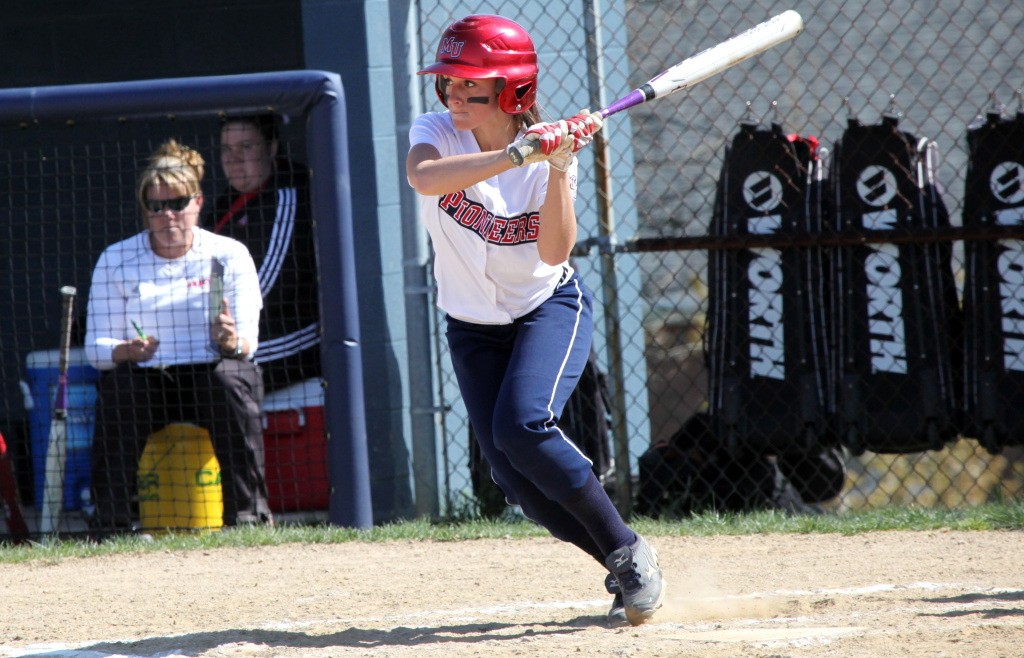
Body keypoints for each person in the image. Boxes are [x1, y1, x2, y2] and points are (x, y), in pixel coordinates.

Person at [406, 14, 665, 627]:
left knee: (523, 426)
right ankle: (621, 555)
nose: (456, 96)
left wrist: (554, 167)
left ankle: (627, 552)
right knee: (515, 482)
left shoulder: (553, 150)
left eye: (473, 86)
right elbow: (422, 177)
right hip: (471, 325)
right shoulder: (436, 133)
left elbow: (553, 252)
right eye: (450, 83)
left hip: (546, 309)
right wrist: (511, 154)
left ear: (512, 90)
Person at [85, 139, 273, 532]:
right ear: (144, 210)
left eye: (178, 203)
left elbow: (247, 345)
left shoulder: (229, 253)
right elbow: (95, 349)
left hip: (210, 375)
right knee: (120, 391)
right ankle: (111, 524)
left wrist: (229, 340)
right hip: (149, 380)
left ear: (198, 202)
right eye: (156, 206)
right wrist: (125, 350)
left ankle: (247, 518)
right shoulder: (116, 259)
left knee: (231, 377)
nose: (168, 215)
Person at [210, 113, 321, 394]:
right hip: (231, 334)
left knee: (207, 379)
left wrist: (206, 312)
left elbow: (266, 286)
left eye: (245, 147)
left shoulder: (289, 194)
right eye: (226, 149)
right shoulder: (226, 203)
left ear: (271, 148)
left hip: (284, 344)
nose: (233, 158)